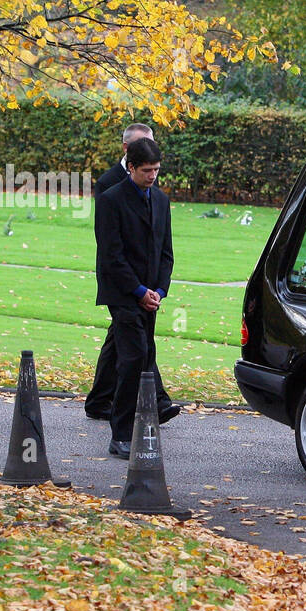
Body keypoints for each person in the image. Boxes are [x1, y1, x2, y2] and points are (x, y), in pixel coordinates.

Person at [86, 122, 177, 424]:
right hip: (123, 291)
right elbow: (112, 254)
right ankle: (124, 427)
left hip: (148, 292)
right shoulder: (111, 194)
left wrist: (159, 291)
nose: (152, 176)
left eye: (156, 170)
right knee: (135, 354)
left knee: (138, 350)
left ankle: (112, 403)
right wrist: (139, 291)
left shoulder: (160, 200)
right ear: (132, 165)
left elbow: (165, 252)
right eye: (147, 170)